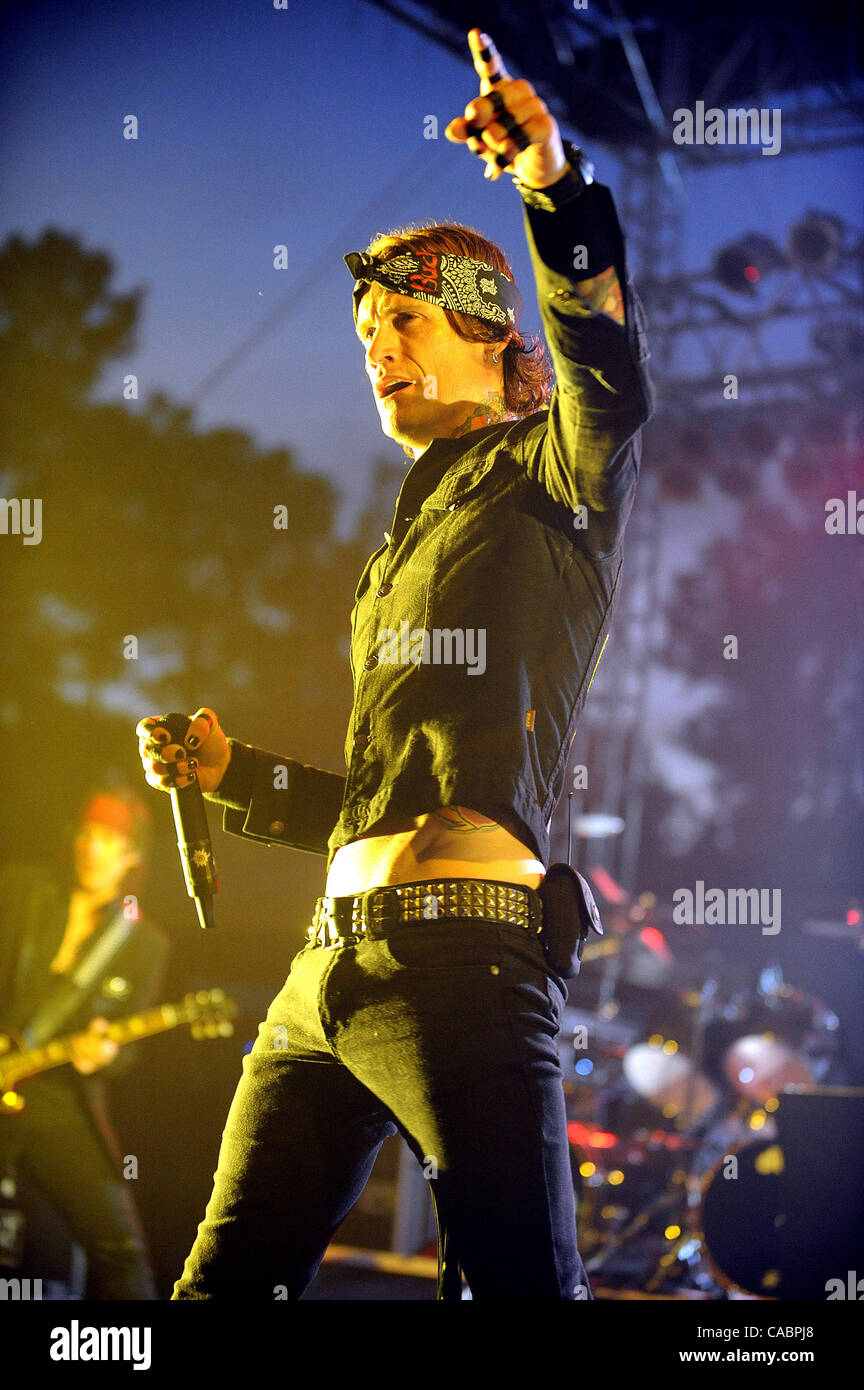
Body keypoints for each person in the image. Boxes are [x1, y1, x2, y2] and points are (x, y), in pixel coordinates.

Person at [137, 28, 653, 1300]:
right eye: (366, 324)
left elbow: (605, 368)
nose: (376, 341)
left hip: (466, 965)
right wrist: (234, 775)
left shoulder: (552, 474)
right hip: (327, 972)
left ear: (487, 335)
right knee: (214, 1291)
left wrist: (547, 173)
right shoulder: (396, 551)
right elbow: (384, 801)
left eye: (405, 317)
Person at [0, 785, 169, 1298]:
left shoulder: (143, 941)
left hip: (58, 1099)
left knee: (120, 1249)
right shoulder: (20, 889)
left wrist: (106, 1055)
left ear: (132, 856)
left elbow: (128, 1053)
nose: (93, 847)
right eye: (89, 833)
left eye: (110, 840)